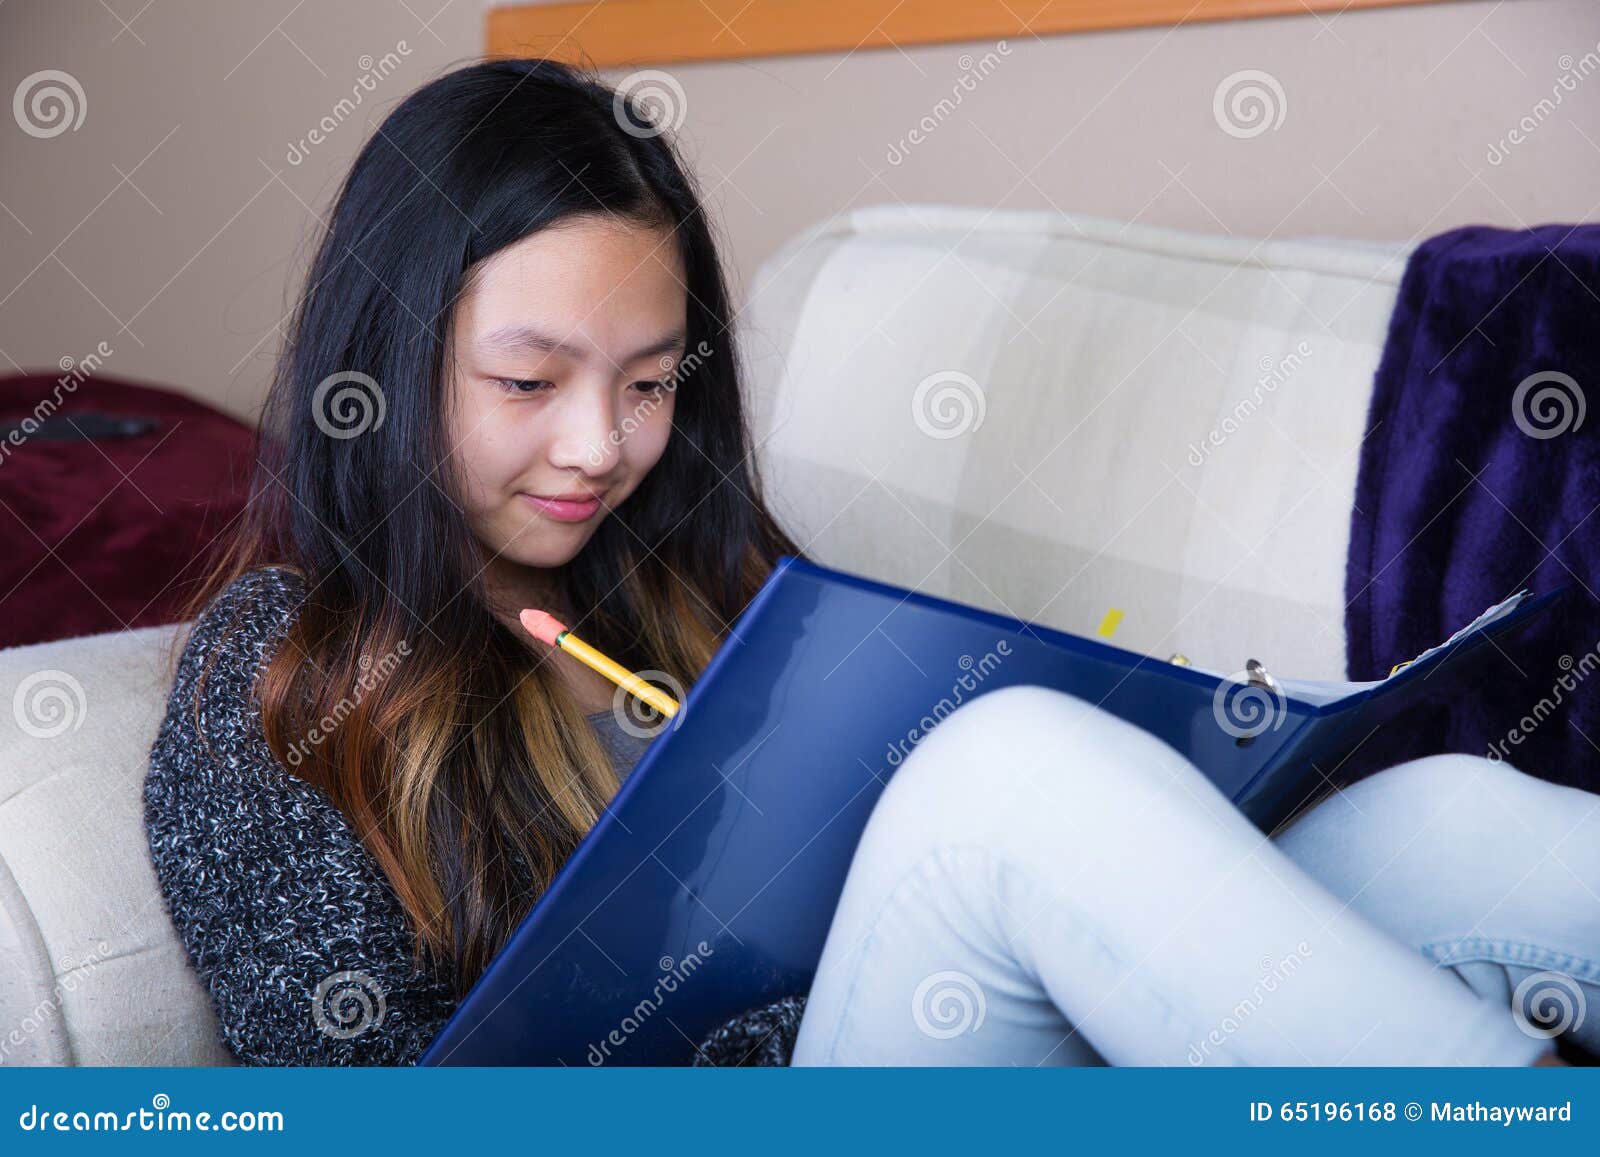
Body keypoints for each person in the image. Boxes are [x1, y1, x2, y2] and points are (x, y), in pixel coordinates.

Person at [143, 57, 1589, 1068]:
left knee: (1438, 817)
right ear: (389, 360)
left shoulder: (695, 585)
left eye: (647, 383)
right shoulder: (277, 674)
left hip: (963, 1042)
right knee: (1004, 775)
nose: (598, 445)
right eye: (528, 382)